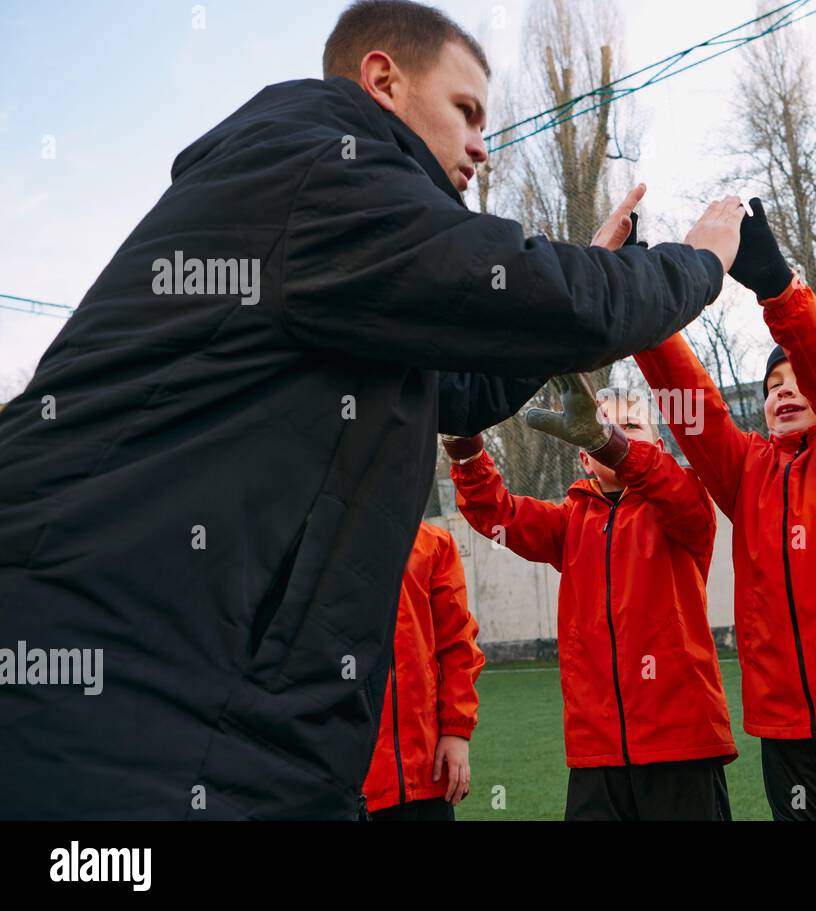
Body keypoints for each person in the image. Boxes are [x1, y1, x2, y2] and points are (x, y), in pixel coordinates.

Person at [0, 0, 743, 819]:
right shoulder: (318, 170)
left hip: (203, 711)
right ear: (382, 80)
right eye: (465, 110)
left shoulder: (347, 247)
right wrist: (698, 263)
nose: (481, 144)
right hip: (116, 694)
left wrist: (570, 315)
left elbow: (457, 382)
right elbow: (542, 296)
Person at [633, 200, 816, 821]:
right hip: (786, 728)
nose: (784, 392)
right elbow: (694, 406)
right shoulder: (747, 471)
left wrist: (778, 289)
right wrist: (645, 309)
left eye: (796, 382)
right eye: (771, 387)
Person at [445, 373, 737, 821]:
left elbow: (672, 492)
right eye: (602, 427)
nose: (614, 435)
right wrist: (465, 449)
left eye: (631, 427)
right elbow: (498, 512)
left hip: (682, 744)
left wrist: (611, 443)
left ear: (658, 450)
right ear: (583, 458)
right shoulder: (571, 520)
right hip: (595, 751)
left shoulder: (685, 500)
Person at [363, 522, 482, 821]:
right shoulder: (315, 542)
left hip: (427, 769)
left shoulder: (433, 544)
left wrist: (457, 731)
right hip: (352, 776)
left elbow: (458, 644)